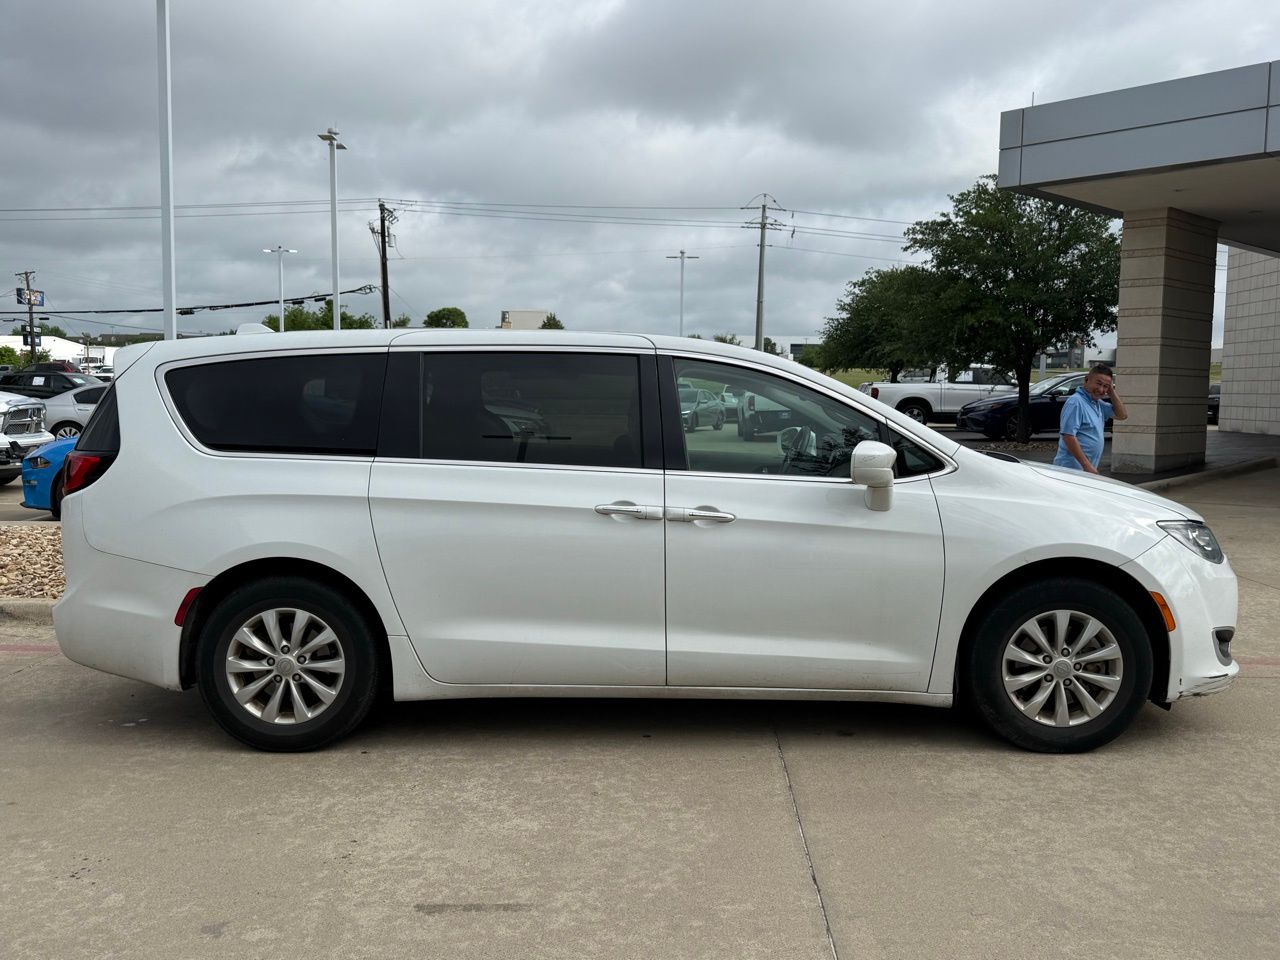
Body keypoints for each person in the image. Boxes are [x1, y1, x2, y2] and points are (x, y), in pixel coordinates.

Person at [1052, 365, 1128, 474]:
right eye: (1098, 383)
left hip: (1084, 471)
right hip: (1070, 470)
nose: (1101, 390)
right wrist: (1087, 466)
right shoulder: (1076, 402)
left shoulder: (1098, 404)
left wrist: (1111, 392)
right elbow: (1068, 436)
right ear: (1087, 380)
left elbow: (1122, 415)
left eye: (1106, 386)